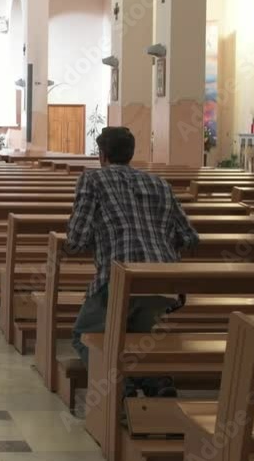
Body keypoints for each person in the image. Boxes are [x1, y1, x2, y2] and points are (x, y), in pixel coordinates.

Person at [66, 127, 199, 399]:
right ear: (131, 153)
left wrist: (95, 239)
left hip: (119, 277)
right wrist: (158, 244)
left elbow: (76, 239)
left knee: (85, 335)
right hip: (163, 279)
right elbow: (189, 237)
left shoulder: (93, 180)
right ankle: (158, 384)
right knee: (137, 337)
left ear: (102, 155)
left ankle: (120, 392)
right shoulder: (160, 183)